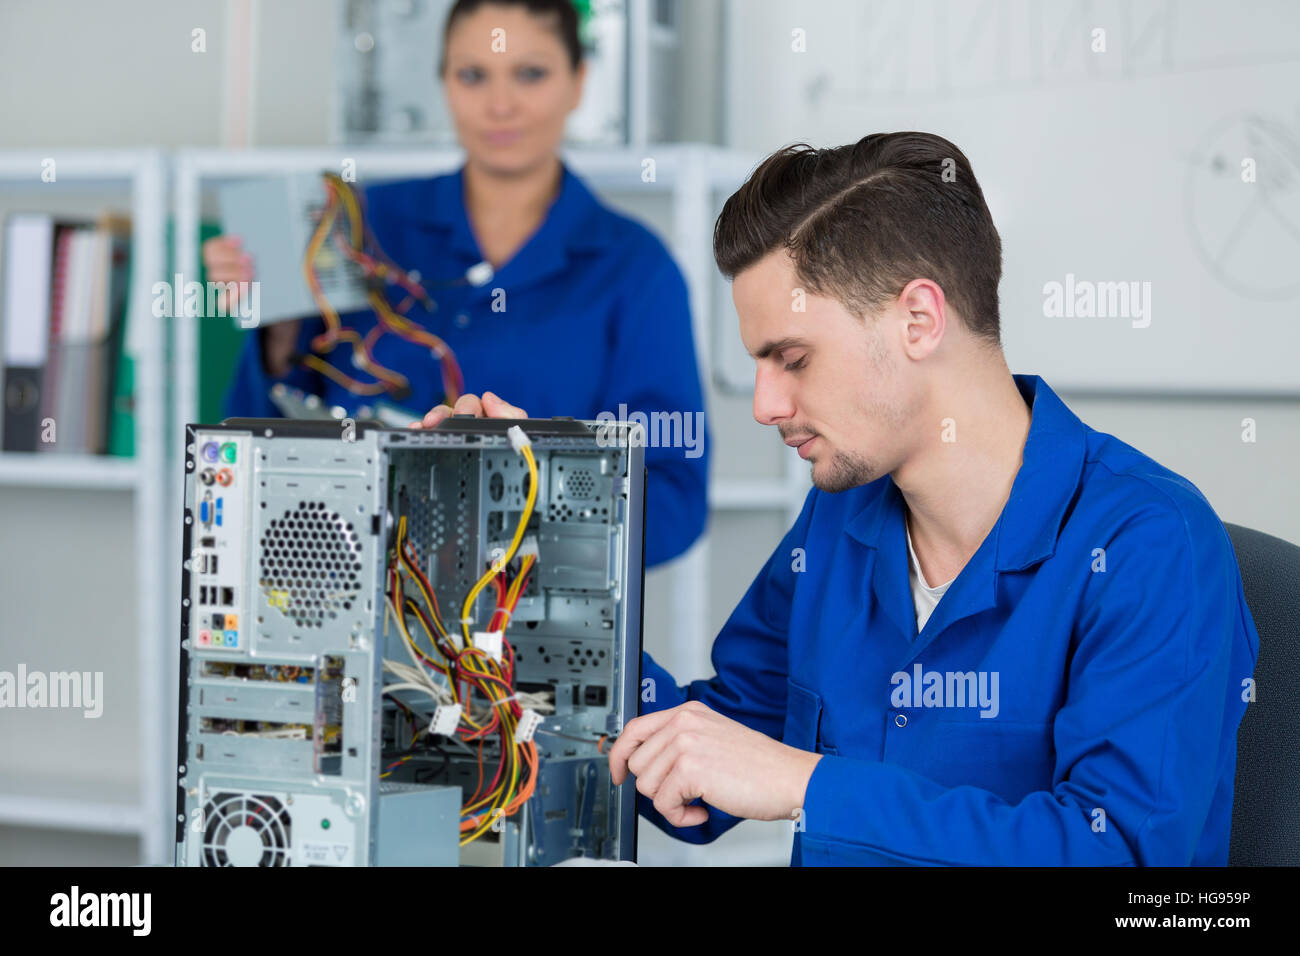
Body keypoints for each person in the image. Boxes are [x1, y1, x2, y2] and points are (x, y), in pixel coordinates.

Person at [446, 131, 1260, 865]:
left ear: (917, 319)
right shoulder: (843, 516)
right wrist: (538, 542)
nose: (764, 405)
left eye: (791, 359)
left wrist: (811, 786)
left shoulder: (1152, 547)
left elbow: (1124, 860)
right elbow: (708, 756)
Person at [205, 0, 708, 569]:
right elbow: (250, 454)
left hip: (528, 627)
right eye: (473, 75)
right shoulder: (356, 230)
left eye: (531, 73)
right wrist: (279, 322)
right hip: (346, 594)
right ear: (443, 82)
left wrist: (530, 506)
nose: (500, 105)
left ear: (578, 83)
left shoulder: (636, 267)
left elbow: (673, 502)